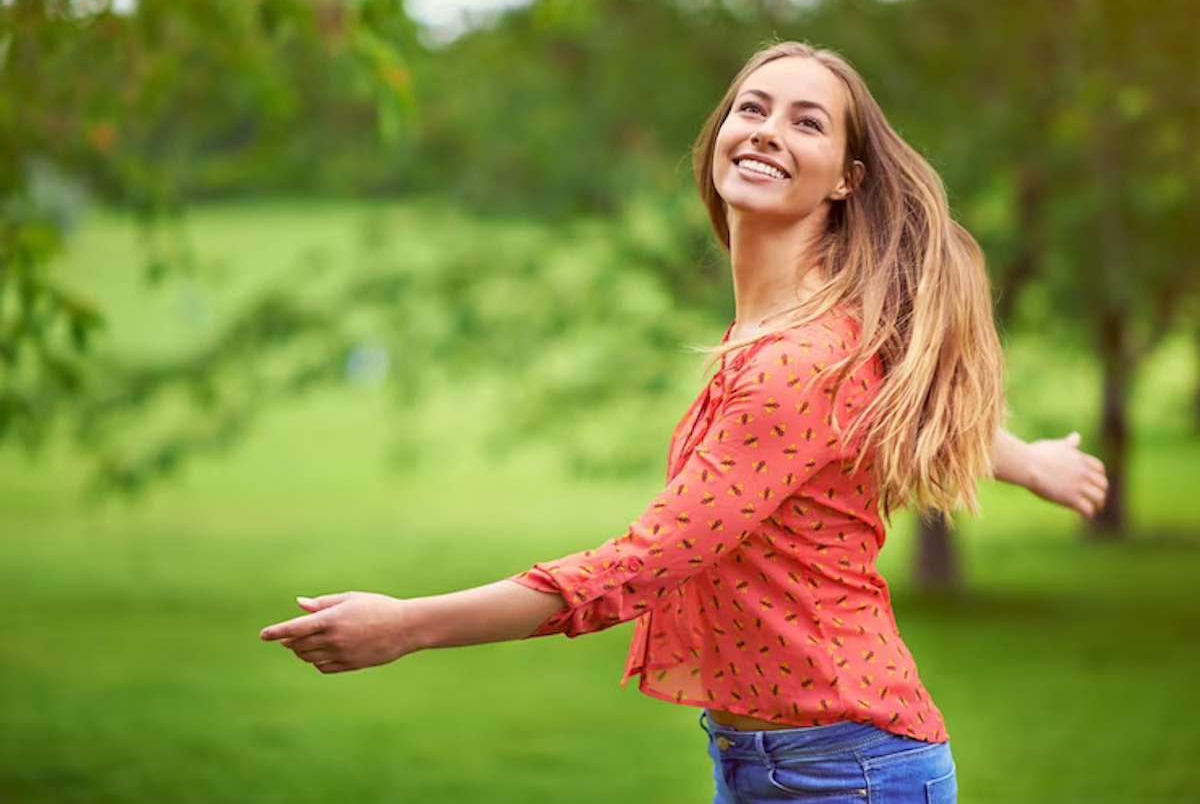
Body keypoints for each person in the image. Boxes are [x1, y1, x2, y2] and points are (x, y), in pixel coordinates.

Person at [260, 41, 1107, 803]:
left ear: (845, 177)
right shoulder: (818, 335)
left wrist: (405, 625)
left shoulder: (795, 361)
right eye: (752, 107)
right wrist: (1027, 458)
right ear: (718, 140)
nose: (768, 129)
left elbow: (636, 567)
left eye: (806, 121)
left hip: (840, 773)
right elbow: (897, 405)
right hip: (791, 759)